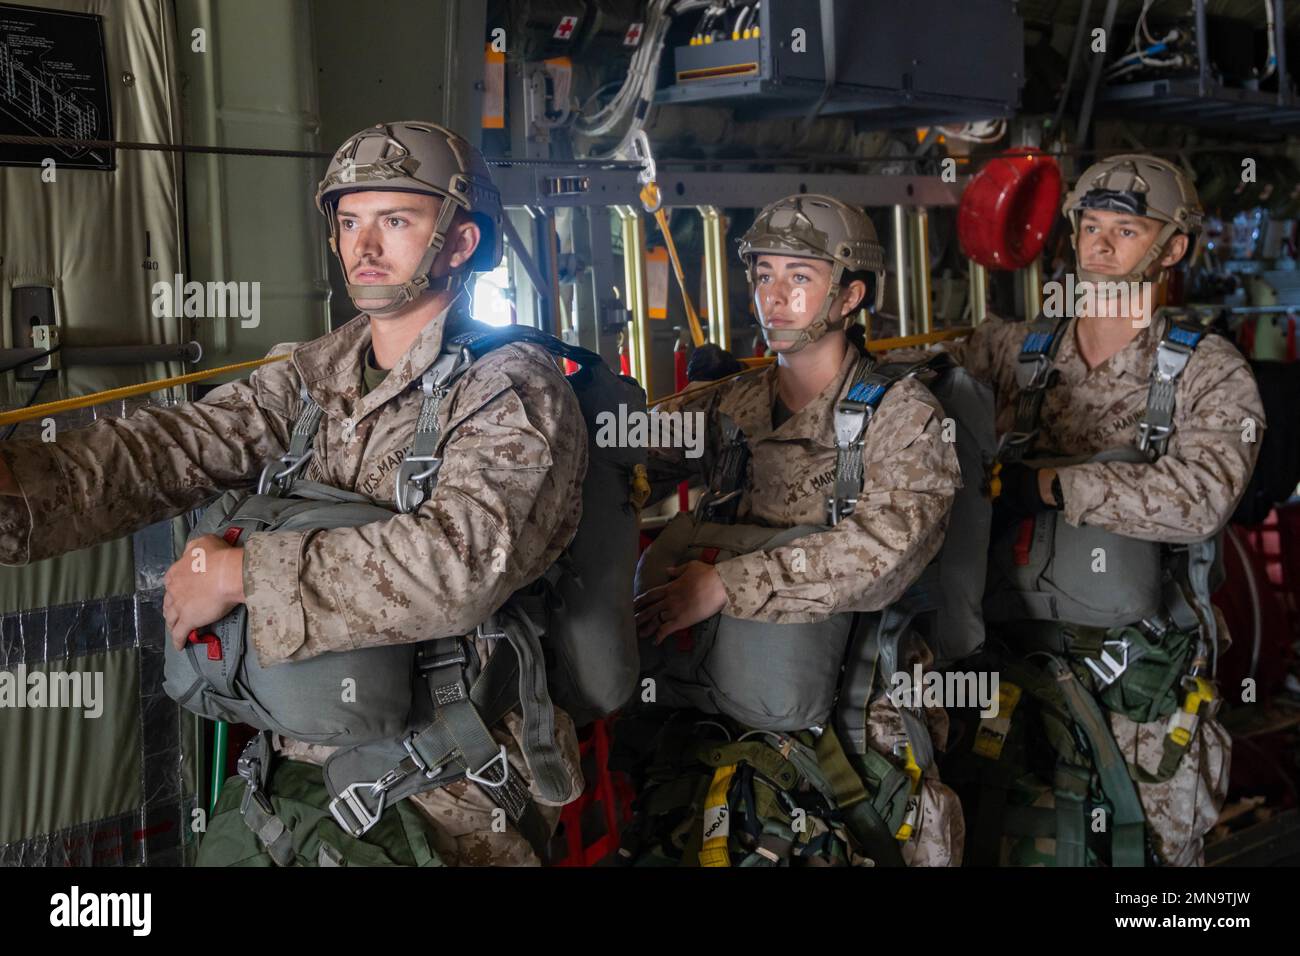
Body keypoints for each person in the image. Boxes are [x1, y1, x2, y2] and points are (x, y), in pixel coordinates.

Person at [0, 121, 586, 866]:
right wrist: (15, 485)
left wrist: (241, 573)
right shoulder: (314, 374)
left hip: (456, 785)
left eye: (395, 221)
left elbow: (457, 566)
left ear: (460, 243)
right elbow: (171, 451)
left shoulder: (514, 389)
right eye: (349, 222)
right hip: (297, 766)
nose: (363, 248)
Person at [935, 154, 1265, 866]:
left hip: (1137, 689)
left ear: (1171, 248)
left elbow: (1199, 498)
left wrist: (1055, 487)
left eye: (1126, 229)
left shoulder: (1209, 374)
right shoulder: (1013, 352)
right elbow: (910, 399)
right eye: (1090, 226)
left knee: (1141, 863)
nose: (1102, 245)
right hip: (1009, 670)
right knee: (1005, 839)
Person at [618, 194, 966, 866]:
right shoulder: (730, 405)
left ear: (848, 297)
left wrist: (724, 584)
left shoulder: (902, 416)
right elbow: (628, 454)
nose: (774, 297)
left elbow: (884, 554)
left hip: (857, 726)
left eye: (799, 279)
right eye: (764, 275)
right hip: (715, 713)